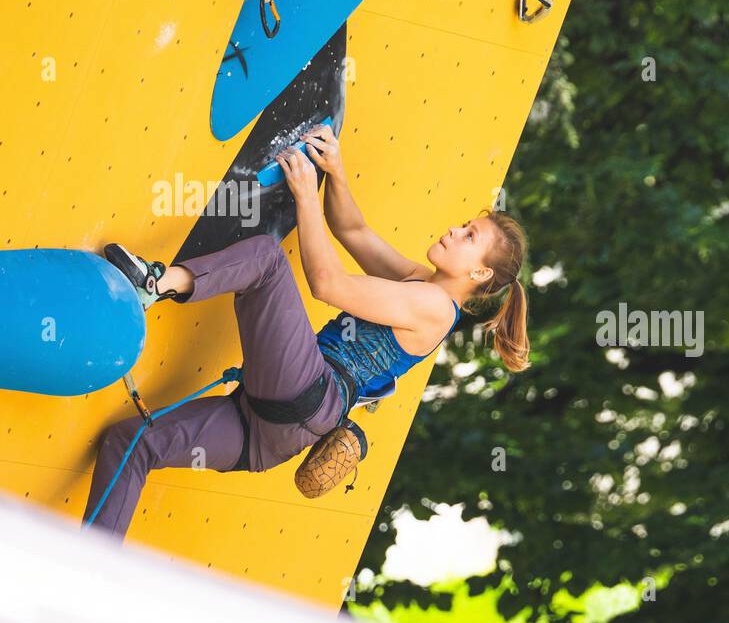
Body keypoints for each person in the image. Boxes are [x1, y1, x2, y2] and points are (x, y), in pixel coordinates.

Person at [82, 123, 530, 537]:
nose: (455, 230)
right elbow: (352, 229)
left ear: (479, 275)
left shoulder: (433, 307)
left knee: (266, 259)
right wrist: (335, 171)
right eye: (465, 225)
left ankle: (154, 284)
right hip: (274, 432)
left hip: (309, 395)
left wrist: (305, 196)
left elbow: (328, 284)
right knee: (132, 443)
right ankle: (87, 575)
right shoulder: (421, 282)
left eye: (470, 237)